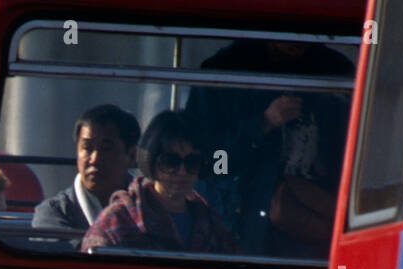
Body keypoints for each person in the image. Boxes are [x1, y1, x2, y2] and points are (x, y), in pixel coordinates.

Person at [184, 39, 353, 257]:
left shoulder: (335, 71)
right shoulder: (225, 73)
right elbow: (212, 165)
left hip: (322, 228)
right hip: (247, 230)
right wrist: (262, 124)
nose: (296, 39)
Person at [81, 110, 237, 255]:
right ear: (151, 161)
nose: (182, 171)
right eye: (170, 162)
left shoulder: (211, 225)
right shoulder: (117, 221)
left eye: (192, 162)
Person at [33, 104, 141, 232]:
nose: (94, 159)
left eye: (106, 149)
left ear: (132, 155)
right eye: (87, 148)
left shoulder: (151, 209)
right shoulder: (54, 213)